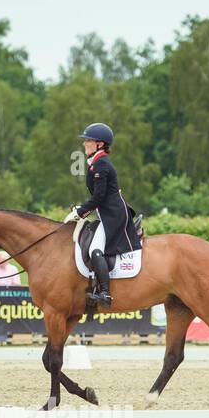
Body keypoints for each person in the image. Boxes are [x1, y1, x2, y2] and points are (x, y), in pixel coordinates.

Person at [63, 123, 140, 307]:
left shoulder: (101, 164)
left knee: (95, 249)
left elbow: (98, 197)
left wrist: (79, 212)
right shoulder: (97, 163)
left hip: (114, 216)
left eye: (88, 140)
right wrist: (81, 210)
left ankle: (105, 293)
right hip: (107, 213)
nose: (85, 144)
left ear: (100, 144)